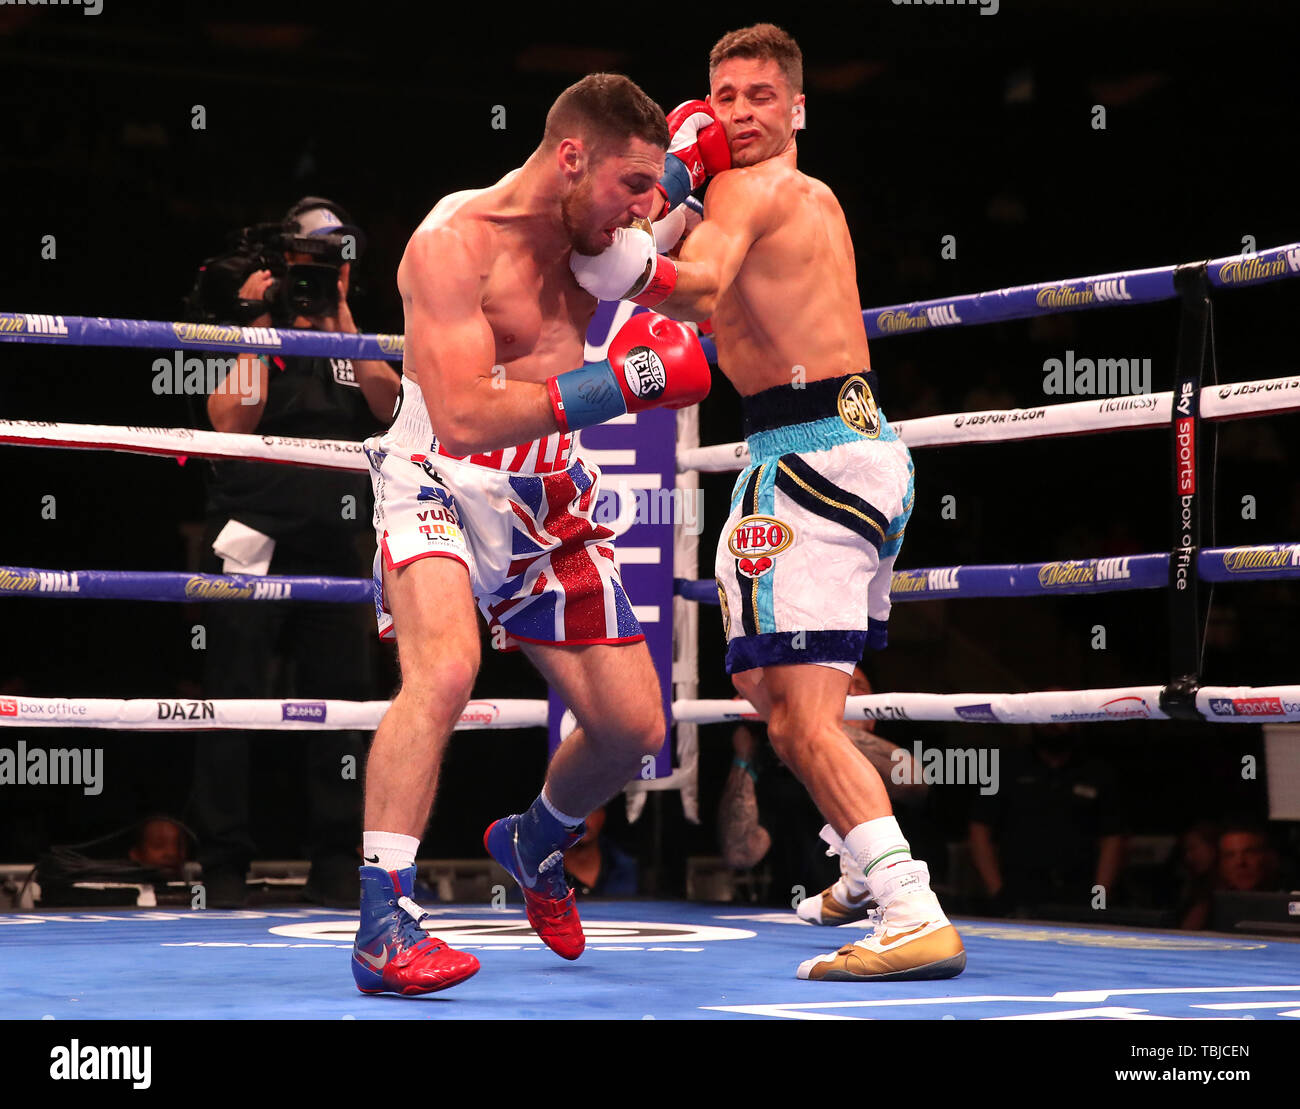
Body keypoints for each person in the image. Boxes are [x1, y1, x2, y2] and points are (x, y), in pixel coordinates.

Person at [569, 24, 963, 981]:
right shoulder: (797, 194)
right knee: (768, 683)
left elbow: (691, 293)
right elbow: (696, 290)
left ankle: (911, 908)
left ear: (796, 108)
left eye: (759, 95)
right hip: (858, 450)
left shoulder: (749, 188)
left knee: (795, 721)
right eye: (723, 94)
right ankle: (863, 861)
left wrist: (622, 245)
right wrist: (667, 205)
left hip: (810, 464)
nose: (739, 111)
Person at [352, 74, 711, 996]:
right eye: (632, 187)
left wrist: (712, 145)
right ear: (569, 156)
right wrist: (623, 383)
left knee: (634, 728)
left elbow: (691, 248)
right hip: (436, 468)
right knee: (447, 670)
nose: (645, 209)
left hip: (548, 487)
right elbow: (467, 416)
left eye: (651, 192)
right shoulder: (451, 245)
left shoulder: (606, 235)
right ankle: (385, 919)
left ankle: (535, 839)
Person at [192, 197, 400, 909]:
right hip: (253, 537)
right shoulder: (255, 325)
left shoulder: (350, 333)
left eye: (331, 258)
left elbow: (388, 404)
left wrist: (339, 313)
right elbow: (228, 419)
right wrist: (260, 323)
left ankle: (341, 859)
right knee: (229, 705)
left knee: (344, 709)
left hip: (336, 543)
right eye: (308, 259)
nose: (317, 272)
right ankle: (223, 865)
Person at [719, 665, 926, 912]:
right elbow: (740, 854)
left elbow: (915, 781)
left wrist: (797, 715)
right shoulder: (780, 766)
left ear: (872, 718)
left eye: (857, 688)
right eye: (837, 685)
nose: (846, 692)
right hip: (796, 915)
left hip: (885, 910)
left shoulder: (888, 764)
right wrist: (745, 757)